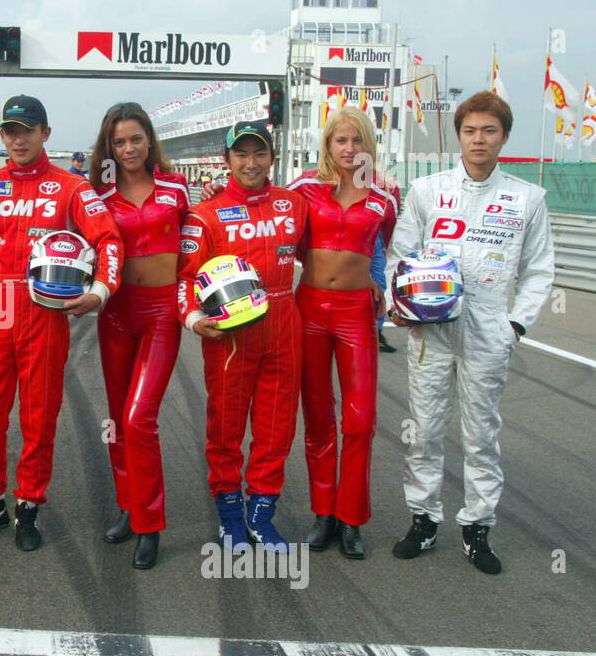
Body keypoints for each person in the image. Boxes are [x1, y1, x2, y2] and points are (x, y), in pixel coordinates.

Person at [387, 91, 554, 574]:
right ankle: (423, 518)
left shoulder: (527, 198)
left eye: (489, 131)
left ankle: (478, 526)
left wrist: (515, 324)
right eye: (470, 130)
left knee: (481, 434)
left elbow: (539, 270)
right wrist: (400, 307)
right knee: (424, 432)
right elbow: (399, 255)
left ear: (503, 137)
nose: (479, 139)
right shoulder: (425, 191)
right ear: (458, 135)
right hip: (430, 329)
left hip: (487, 331)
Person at [0, 95, 123, 551]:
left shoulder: (71, 187)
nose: (19, 138)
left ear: (45, 133)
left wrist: (100, 291)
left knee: (38, 416)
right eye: (10, 131)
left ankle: (28, 506)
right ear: (2, 136)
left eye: (27, 130)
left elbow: (108, 239)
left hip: (47, 314)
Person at [177, 121, 306, 553]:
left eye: (259, 154)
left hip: (284, 324)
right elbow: (184, 279)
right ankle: (230, 518)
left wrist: (375, 278)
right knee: (226, 429)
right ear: (227, 159)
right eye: (241, 155)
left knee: (276, 430)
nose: (251, 163)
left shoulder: (295, 204)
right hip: (230, 338)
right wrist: (194, 320)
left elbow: (334, 252)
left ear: (272, 157)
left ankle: (261, 517)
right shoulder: (205, 214)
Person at [287, 108, 399, 559]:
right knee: (317, 419)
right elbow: (275, 227)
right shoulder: (303, 190)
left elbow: (387, 248)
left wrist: (375, 283)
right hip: (309, 309)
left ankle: (352, 517)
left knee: (360, 421)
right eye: (341, 141)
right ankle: (324, 513)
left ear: (369, 144)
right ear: (327, 146)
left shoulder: (384, 199)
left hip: (356, 315)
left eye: (357, 140)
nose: (350, 149)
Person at [89, 102, 189, 570]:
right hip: (115, 313)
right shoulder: (96, 196)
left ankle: (149, 523)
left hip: (162, 314)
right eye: (118, 141)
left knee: (138, 418)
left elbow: (200, 245)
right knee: (116, 418)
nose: (127, 148)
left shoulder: (178, 188)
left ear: (150, 139)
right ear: (108, 147)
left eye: (135, 138)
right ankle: (129, 505)